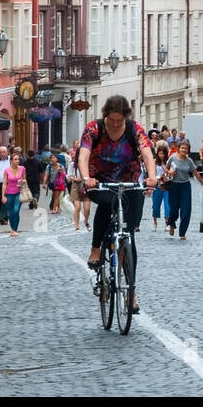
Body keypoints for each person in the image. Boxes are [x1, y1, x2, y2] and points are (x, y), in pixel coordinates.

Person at [80, 96, 158, 313]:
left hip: (129, 181)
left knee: (129, 237)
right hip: (101, 181)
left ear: (125, 117)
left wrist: (151, 177)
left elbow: (147, 154)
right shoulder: (93, 129)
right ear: (106, 115)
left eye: (119, 120)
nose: (115, 124)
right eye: (112, 120)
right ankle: (96, 250)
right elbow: (83, 155)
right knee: (106, 204)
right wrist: (87, 177)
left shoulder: (135, 129)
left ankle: (131, 293)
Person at [164, 140, 203, 240]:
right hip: (174, 186)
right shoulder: (173, 158)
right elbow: (166, 168)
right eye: (182, 148)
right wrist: (169, 172)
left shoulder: (189, 161)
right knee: (173, 210)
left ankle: (182, 233)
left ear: (188, 151)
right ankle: (172, 223)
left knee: (186, 210)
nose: (184, 150)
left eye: (186, 148)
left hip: (185, 186)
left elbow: (196, 173)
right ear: (178, 148)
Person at [0, 154, 27, 237]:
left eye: (18, 159)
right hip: (9, 193)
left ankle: (15, 229)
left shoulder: (22, 169)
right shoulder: (7, 170)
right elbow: (4, 183)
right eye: (15, 159)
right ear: (11, 161)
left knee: (16, 210)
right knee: (11, 213)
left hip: (19, 192)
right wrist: (3, 196)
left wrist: (22, 182)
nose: (17, 161)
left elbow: (24, 179)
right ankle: (12, 229)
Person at [150, 141, 170, 228]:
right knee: (156, 205)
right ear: (157, 154)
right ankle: (155, 221)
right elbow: (152, 174)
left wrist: (167, 175)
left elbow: (171, 173)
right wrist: (158, 177)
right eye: (160, 153)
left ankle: (167, 222)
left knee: (167, 205)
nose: (161, 155)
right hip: (157, 186)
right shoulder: (154, 162)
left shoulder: (168, 162)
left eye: (163, 154)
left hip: (166, 186)